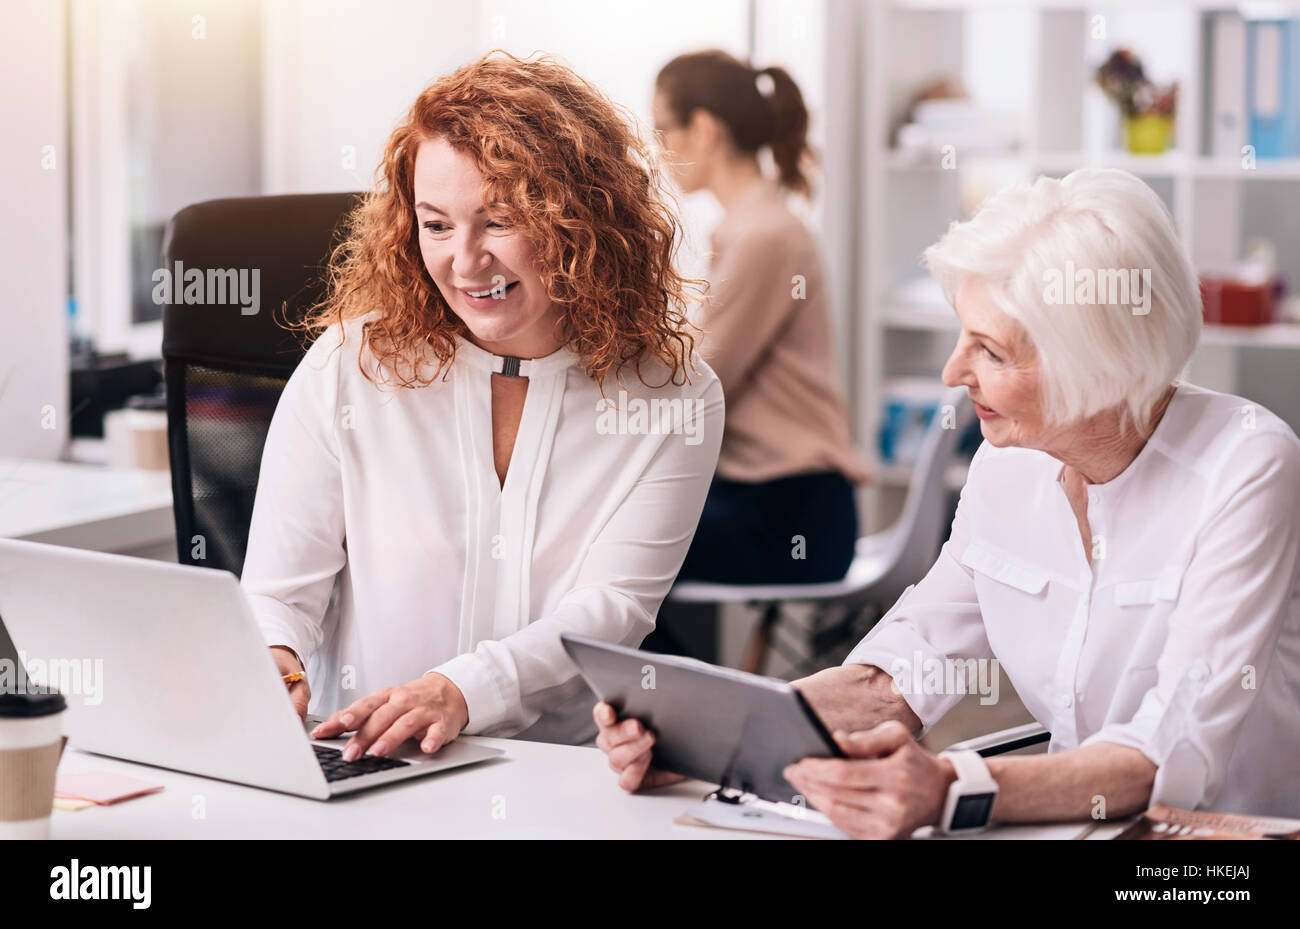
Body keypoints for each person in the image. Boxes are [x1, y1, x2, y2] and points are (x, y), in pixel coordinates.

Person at [594, 167, 1300, 833]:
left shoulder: (1245, 464)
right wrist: (708, 734)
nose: (953, 370)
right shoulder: (1006, 466)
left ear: (1096, 366)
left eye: (990, 351)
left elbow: (1173, 750)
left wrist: (952, 788)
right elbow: (907, 667)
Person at [241, 51, 723, 761]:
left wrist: (460, 690)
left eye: (497, 221)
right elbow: (279, 588)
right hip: (363, 760)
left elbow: (611, 610)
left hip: (553, 773)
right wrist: (276, 659)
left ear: (580, 222)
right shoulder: (351, 365)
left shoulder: (673, 394)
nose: (464, 263)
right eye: (435, 225)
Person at [651, 50, 869, 585]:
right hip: (772, 502)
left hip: (789, 513)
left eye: (662, 131)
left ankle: (670, 674)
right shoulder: (754, 228)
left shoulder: (763, 236)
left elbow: (697, 382)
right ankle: (666, 672)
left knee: (606, 546)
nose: (658, 152)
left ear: (703, 129)